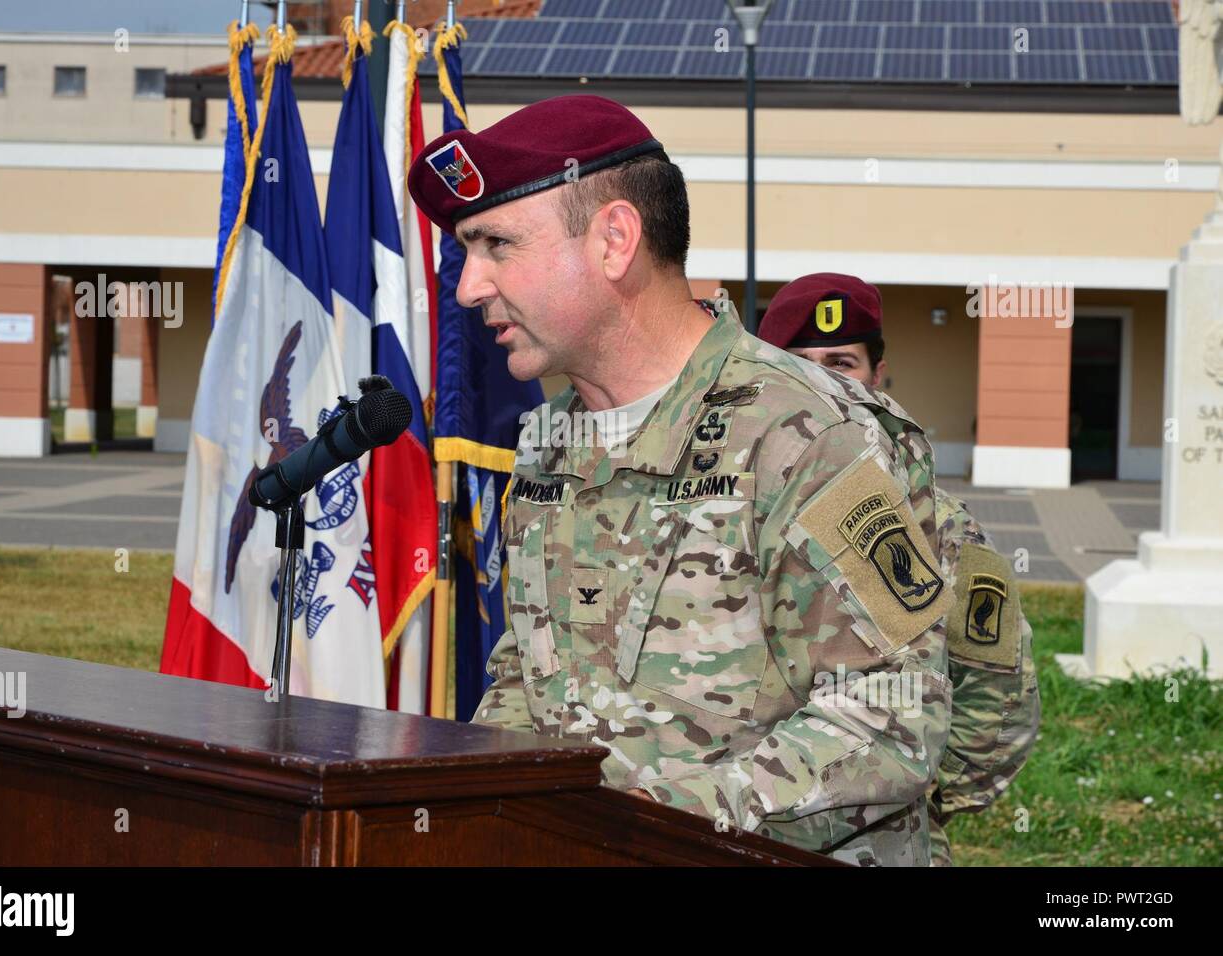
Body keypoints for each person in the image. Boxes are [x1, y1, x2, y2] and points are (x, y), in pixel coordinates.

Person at [409, 96, 953, 866]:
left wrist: (637, 835)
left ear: (614, 239)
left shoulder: (809, 431)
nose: (469, 287)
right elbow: (523, 672)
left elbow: (894, 713)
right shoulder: (545, 444)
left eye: (496, 243)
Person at [757, 273, 1041, 866]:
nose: (822, 380)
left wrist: (920, 792)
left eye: (842, 361)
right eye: (798, 362)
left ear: (877, 373)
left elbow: (996, 694)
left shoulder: (939, 524)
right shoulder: (728, 508)